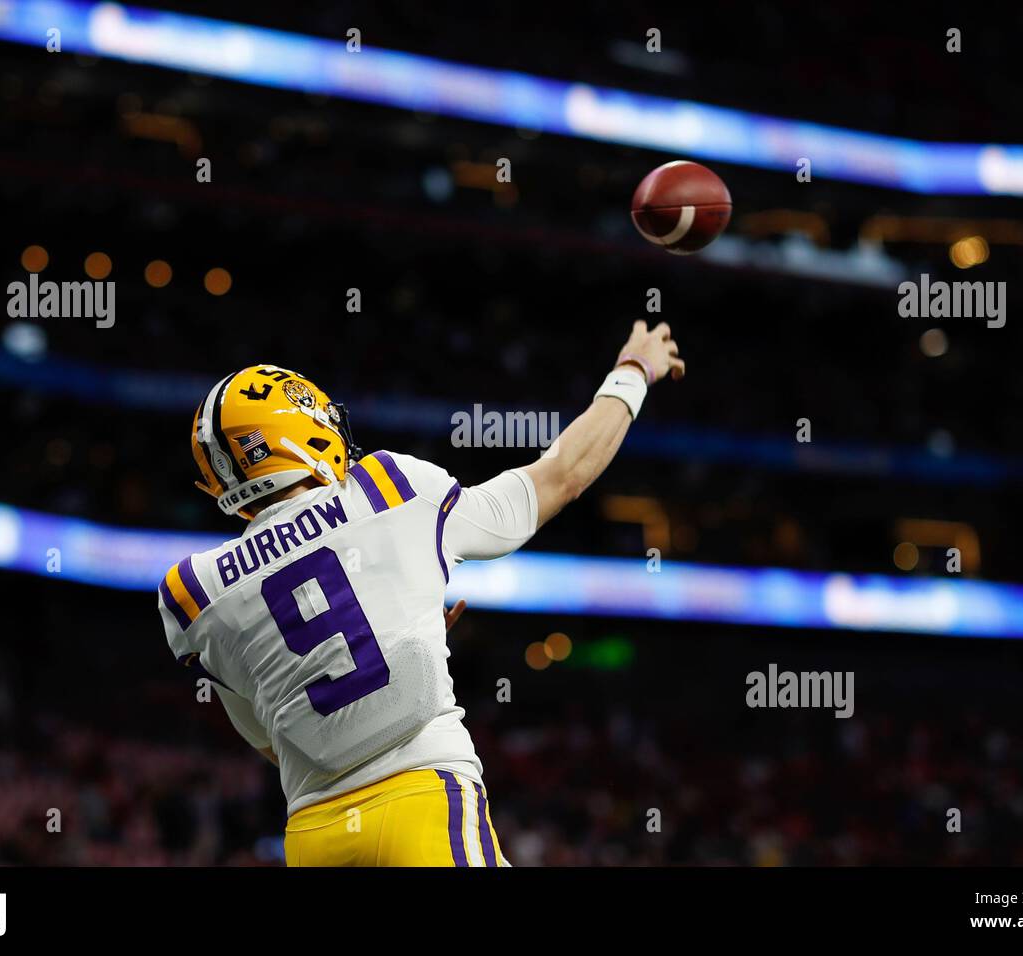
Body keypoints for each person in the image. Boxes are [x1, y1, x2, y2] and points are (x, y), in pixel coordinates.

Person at [157, 320, 684, 865]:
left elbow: (275, 739)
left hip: (314, 836)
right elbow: (560, 476)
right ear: (300, 429)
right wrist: (633, 372)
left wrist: (384, 638)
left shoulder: (194, 592)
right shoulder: (387, 487)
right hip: (421, 799)